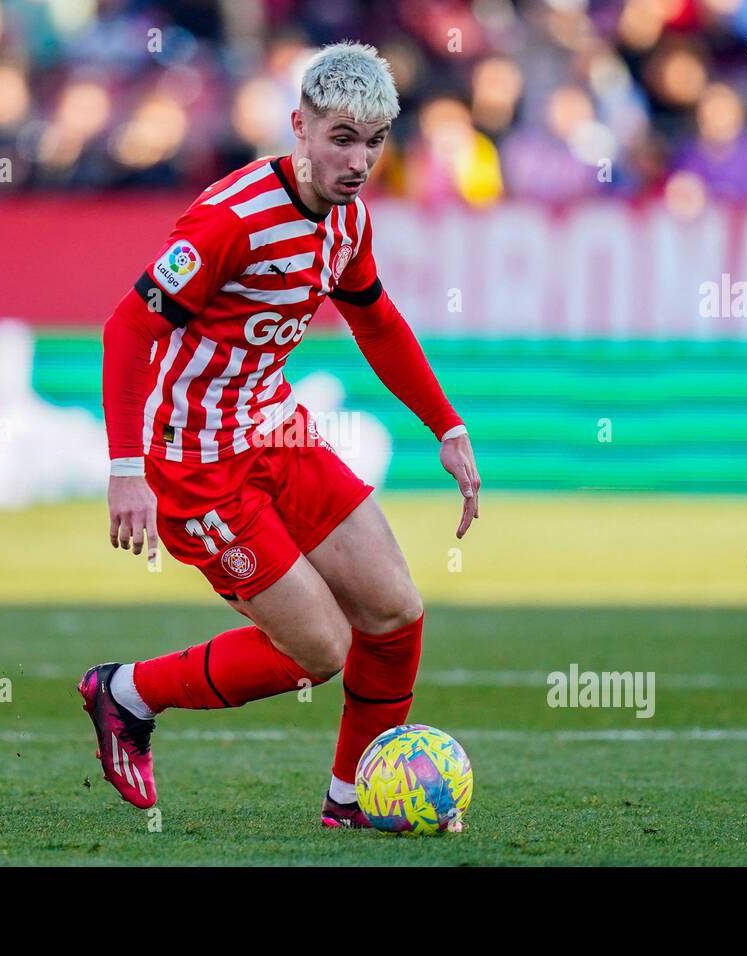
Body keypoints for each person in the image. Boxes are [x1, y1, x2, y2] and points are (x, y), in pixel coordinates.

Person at [82, 41, 481, 828]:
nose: (359, 161)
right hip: (197, 464)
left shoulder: (347, 220)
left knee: (396, 611)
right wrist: (126, 469)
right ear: (299, 126)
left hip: (278, 435)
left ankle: (352, 803)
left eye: (373, 142)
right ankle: (125, 693)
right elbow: (127, 327)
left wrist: (447, 425)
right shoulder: (232, 219)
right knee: (320, 651)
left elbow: (378, 321)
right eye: (342, 139)